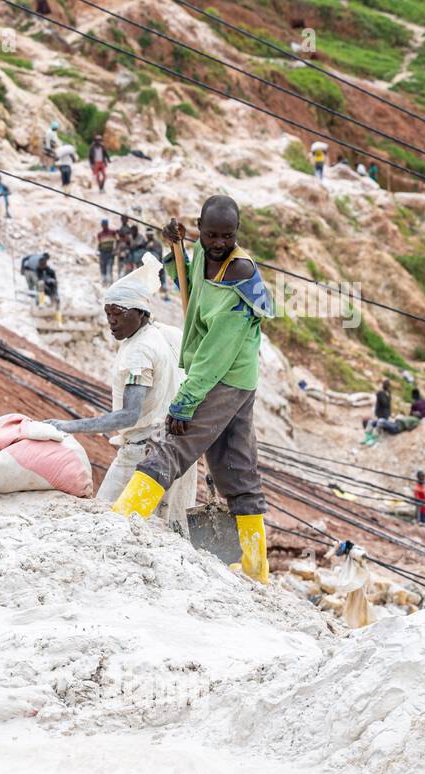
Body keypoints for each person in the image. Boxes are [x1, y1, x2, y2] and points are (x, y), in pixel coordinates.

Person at [112, 195, 274, 585]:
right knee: (236, 470)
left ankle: (120, 522)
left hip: (224, 378)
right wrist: (176, 250)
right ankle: (256, 569)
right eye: (211, 235)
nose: (218, 243)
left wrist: (185, 403)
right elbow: (189, 279)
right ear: (200, 227)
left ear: (237, 234)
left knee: (173, 444)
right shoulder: (206, 254)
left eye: (227, 236)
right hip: (237, 379)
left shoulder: (238, 277)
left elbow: (214, 359)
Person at [45, 254, 196, 534]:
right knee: (169, 530)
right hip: (180, 449)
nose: (112, 322)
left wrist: (68, 426)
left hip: (143, 455)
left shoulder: (139, 351)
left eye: (119, 314)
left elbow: (129, 415)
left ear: (139, 311)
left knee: (108, 523)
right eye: (108, 314)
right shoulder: (168, 334)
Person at [143, 228, 168, 300]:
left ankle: (163, 291)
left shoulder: (157, 243)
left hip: (156, 263)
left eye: (149, 235)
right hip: (147, 264)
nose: (148, 236)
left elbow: (159, 255)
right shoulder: (145, 243)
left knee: (161, 277)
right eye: (147, 235)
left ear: (152, 235)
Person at [96, 218, 118, 284]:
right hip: (103, 253)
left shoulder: (112, 232)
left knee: (109, 268)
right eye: (103, 224)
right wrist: (98, 250)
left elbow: (117, 241)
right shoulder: (100, 234)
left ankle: (110, 282)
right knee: (103, 268)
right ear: (101, 225)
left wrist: (116, 249)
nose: (104, 226)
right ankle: (104, 282)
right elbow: (100, 244)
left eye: (105, 224)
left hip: (110, 253)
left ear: (107, 225)